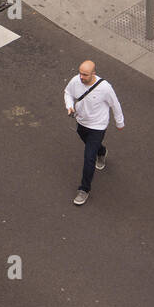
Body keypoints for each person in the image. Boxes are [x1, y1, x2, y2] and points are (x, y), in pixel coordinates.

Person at [64, 59, 124, 206]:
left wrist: (119, 122)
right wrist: (69, 105)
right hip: (81, 123)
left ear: (93, 74)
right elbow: (67, 93)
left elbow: (115, 104)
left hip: (98, 126)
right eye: (80, 74)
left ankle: (84, 189)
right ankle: (102, 151)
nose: (81, 77)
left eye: (85, 75)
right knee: (94, 148)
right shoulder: (75, 81)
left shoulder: (105, 88)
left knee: (89, 157)